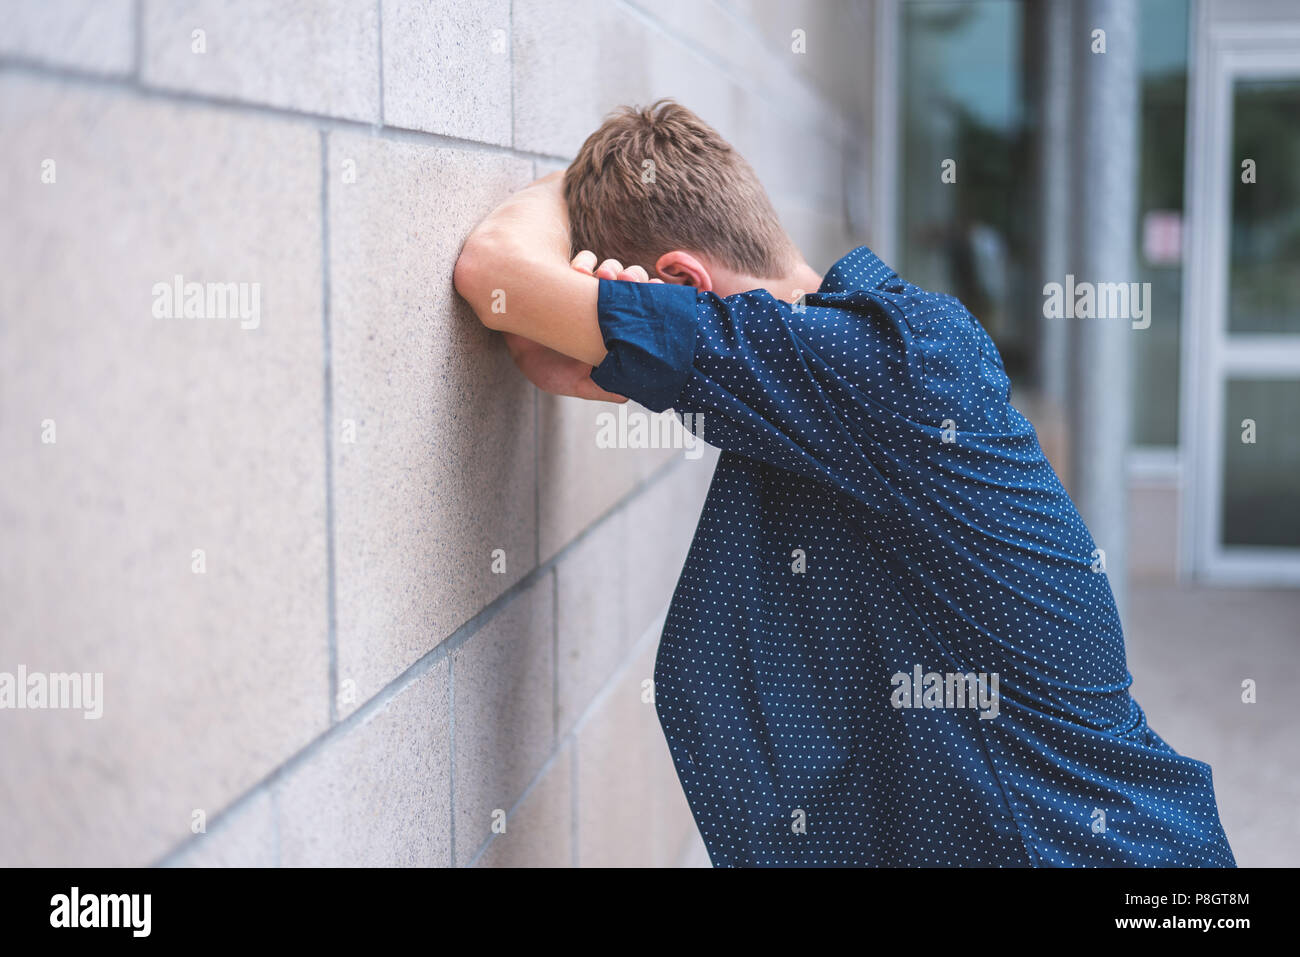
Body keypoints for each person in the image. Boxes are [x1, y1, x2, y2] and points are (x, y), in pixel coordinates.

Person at [453, 99, 1236, 867]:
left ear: (682, 281)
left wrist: (576, 198)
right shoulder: (852, 362)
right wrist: (609, 312)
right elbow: (541, 347)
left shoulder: (870, 363)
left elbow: (493, 271)